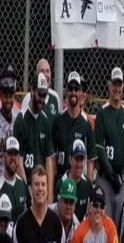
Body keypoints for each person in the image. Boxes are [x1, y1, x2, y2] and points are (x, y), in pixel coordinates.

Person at [94, 67, 124, 227]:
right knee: (106, 220)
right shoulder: (102, 113)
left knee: (122, 219)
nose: (117, 88)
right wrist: (111, 174)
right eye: (114, 84)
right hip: (106, 178)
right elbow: (99, 148)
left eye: (120, 84)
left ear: (123, 86)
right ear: (109, 85)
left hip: (123, 179)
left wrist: (123, 175)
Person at [13, 73, 56, 202]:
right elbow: (18, 160)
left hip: (41, 182)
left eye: (44, 95)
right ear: (32, 91)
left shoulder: (45, 121)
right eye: (39, 94)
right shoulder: (21, 120)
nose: (42, 99)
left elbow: (49, 158)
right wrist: (27, 189)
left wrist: (49, 190)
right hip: (27, 179)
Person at [51, 71, 96, 183]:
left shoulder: (86, 123)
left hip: (79, 180)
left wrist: (88, 188)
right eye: (70, 89)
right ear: (66, 92)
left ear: (80, 93)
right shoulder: (58, 120)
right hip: (61, 179)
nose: (73, 92)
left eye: (76, 89)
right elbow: (52, 157)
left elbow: (90, 160)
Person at [55, 139, 92, 222]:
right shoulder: (61, 184)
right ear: (70, 159)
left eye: (81, 160)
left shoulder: (87, 184)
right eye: (76, 159)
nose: (79, 164)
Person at [1, 137, 29, 221]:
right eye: (10, 153)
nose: (13, 158)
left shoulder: (22, 184)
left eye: (16, 154)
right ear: (3, 156)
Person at [0, 67, 20, 145]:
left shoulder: (18, 119)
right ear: (1, 95)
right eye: (5, 96)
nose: (8, 100)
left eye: (10, 96)